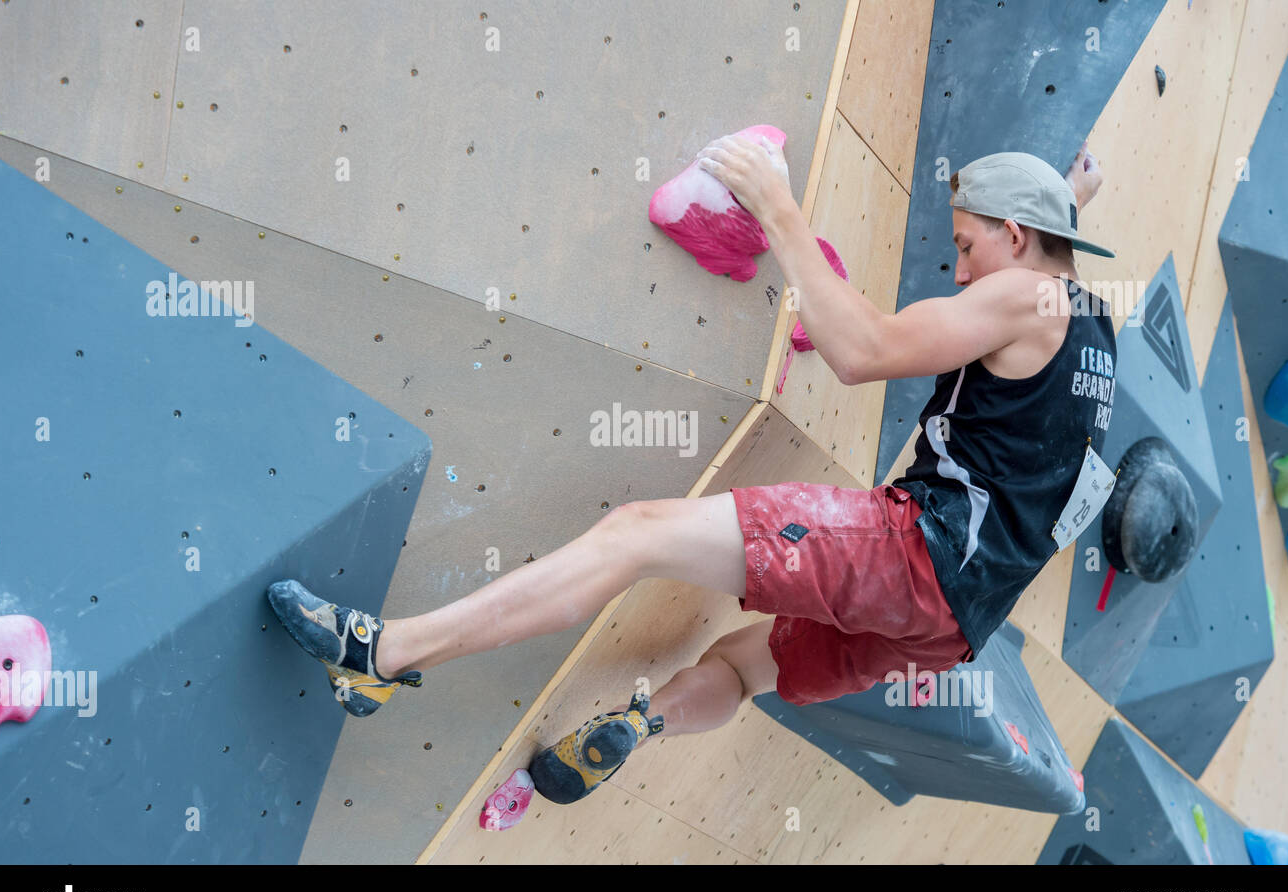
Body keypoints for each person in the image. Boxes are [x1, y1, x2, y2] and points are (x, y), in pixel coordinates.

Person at [267, 138, 1116, 804]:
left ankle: (383, 654)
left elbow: (864, 352)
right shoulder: (1093, 324)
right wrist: (1065, 201)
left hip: (914, 554)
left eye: (966, 246)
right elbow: (1039, 282)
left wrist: (777, 207)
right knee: (746, 667)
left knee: (636, 535)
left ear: (1015, 237)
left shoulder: (1026, 295)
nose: (959, 272)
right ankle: (640, 725)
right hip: (954, 627)